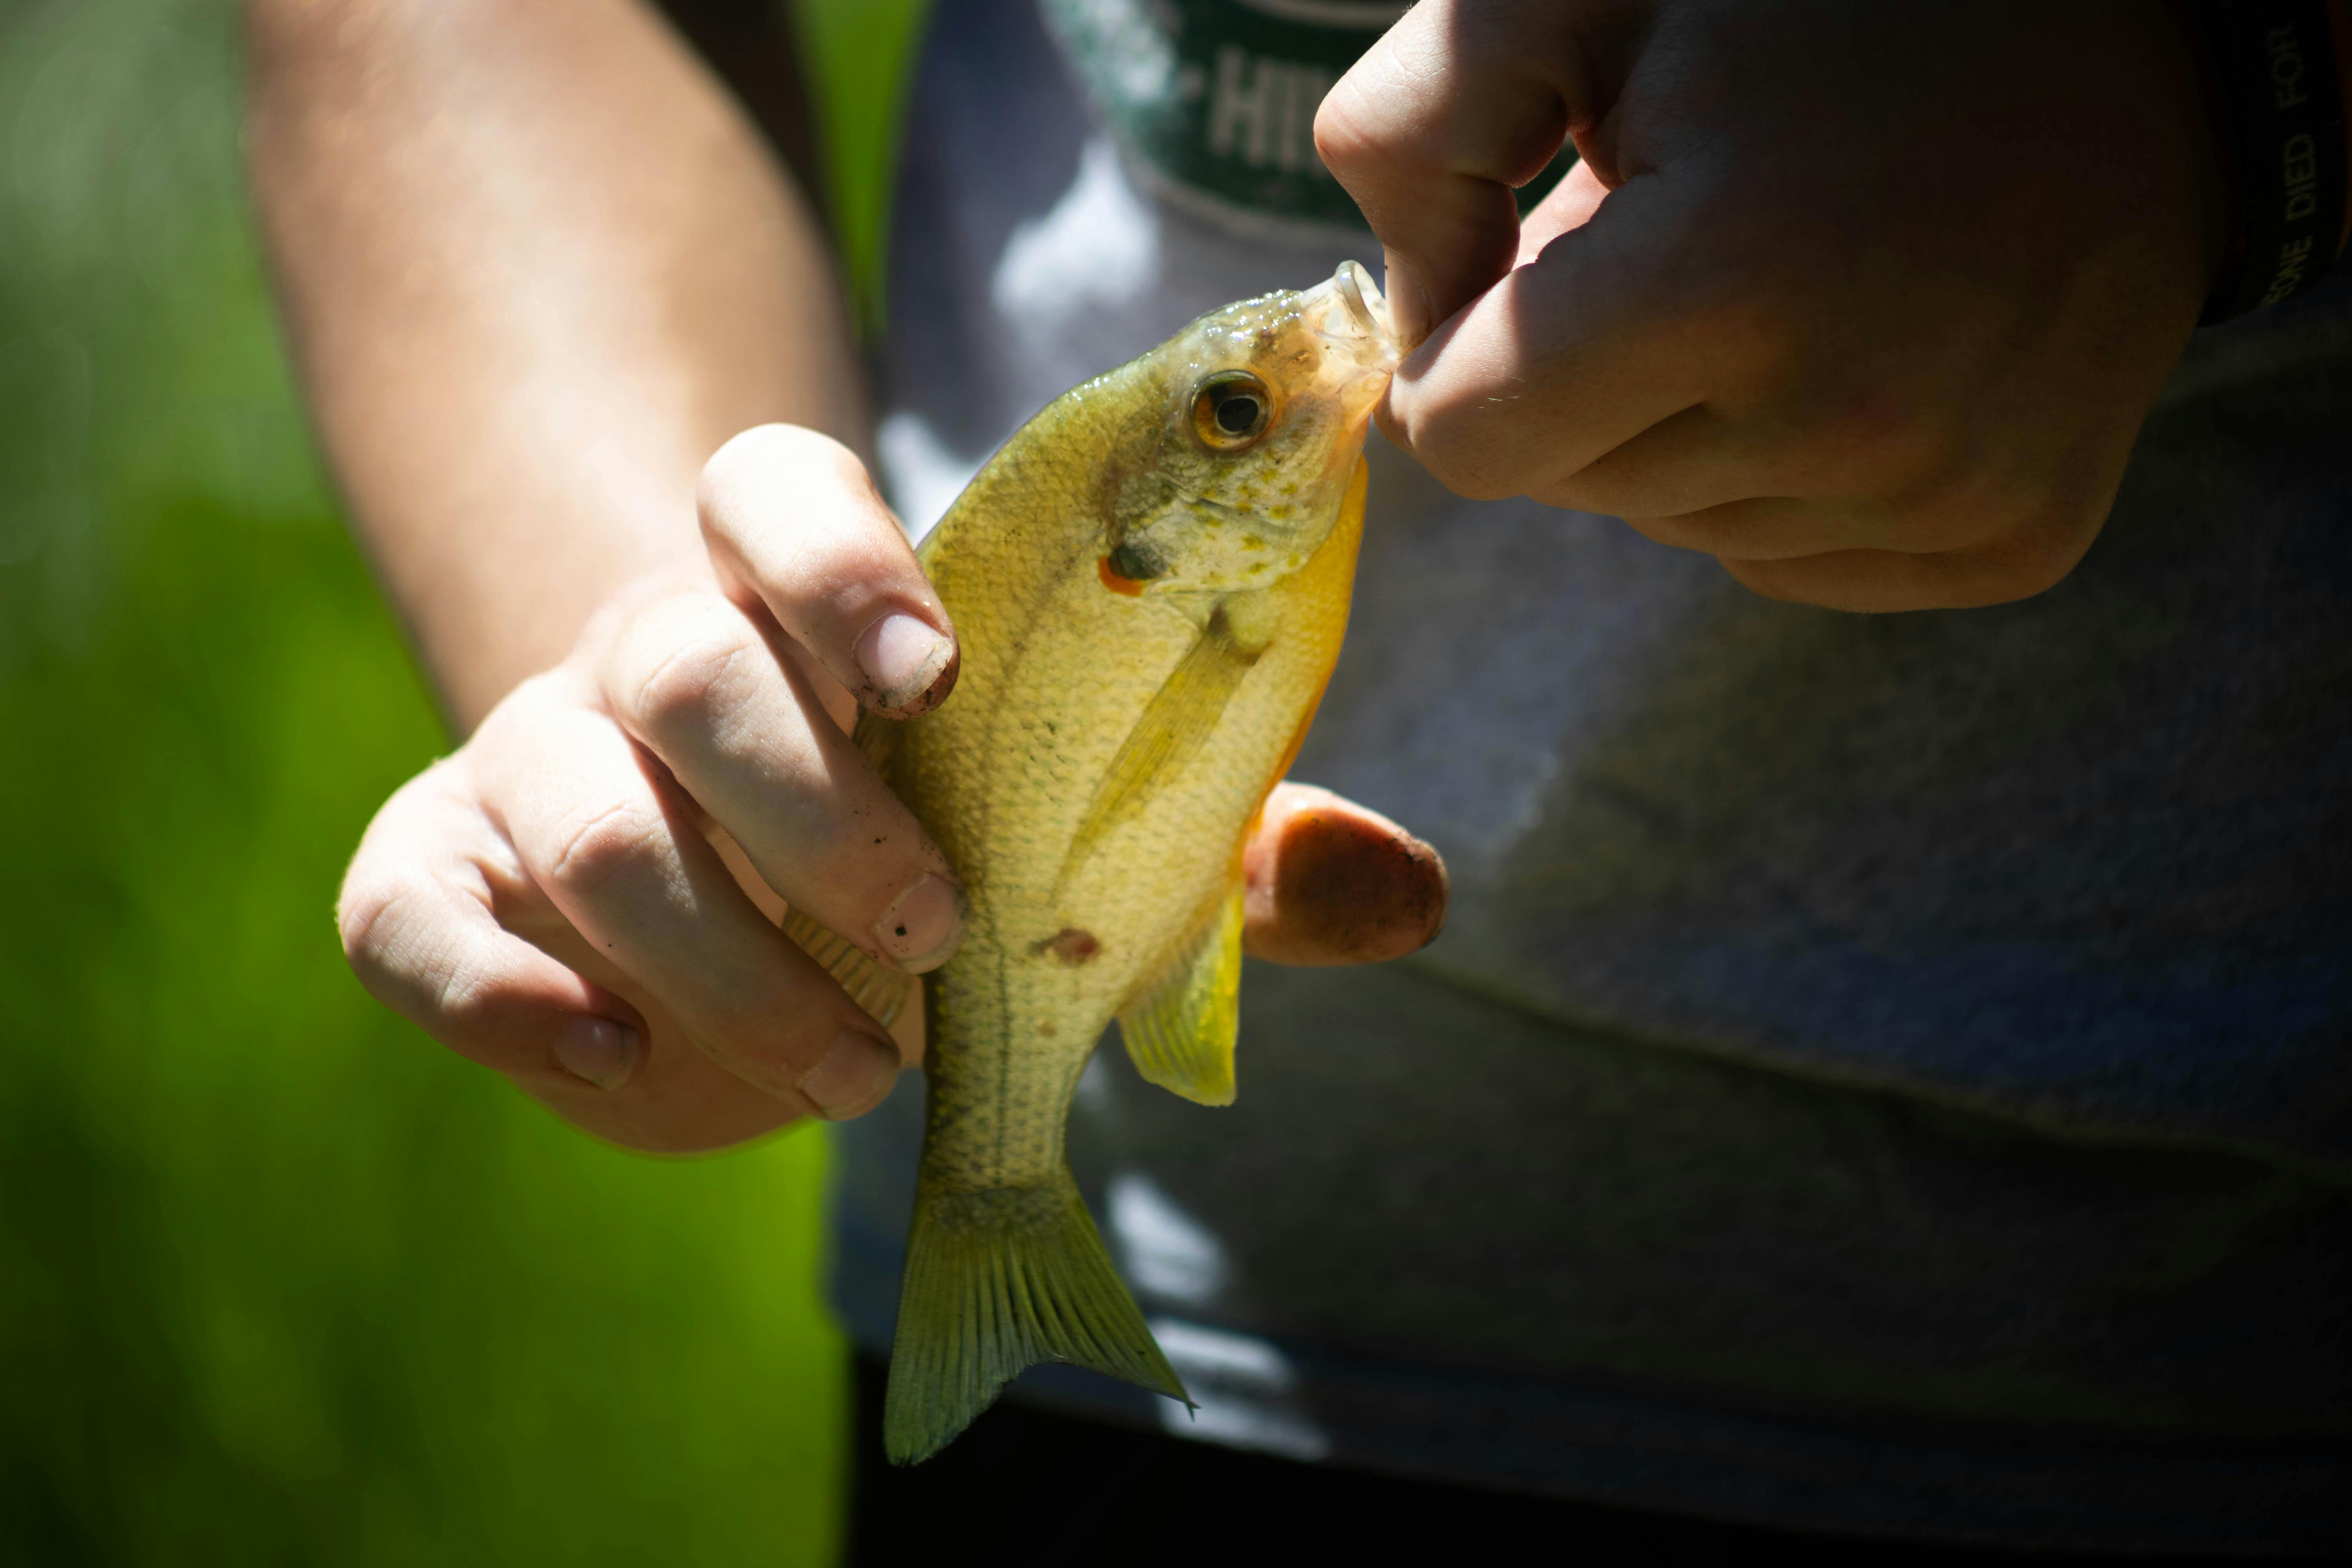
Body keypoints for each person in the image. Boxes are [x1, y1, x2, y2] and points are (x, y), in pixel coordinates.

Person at [246, 0, 2352, 1555]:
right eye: (1248, 415)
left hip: (2204, 1352)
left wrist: (2225, 84)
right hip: (1154, 1360)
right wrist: (695, 778)